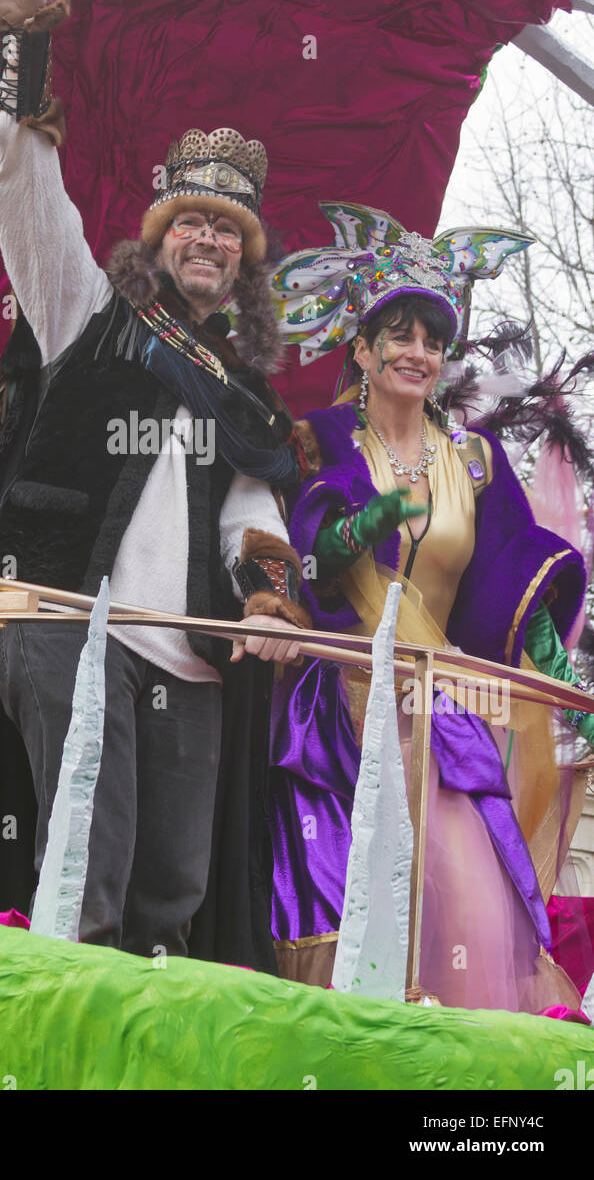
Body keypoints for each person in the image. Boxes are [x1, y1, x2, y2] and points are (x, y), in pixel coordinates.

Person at [0, 0, 311, 964]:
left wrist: (266, 593)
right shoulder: (86, 308)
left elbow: (250, 511)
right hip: (61, 622)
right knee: (85, 877)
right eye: (191, 225)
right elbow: (25, 191)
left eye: (228, 232)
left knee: (169, 899)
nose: (208, 242)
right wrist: (25, 42)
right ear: (161, 236)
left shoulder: (245, 395)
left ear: (243, 257)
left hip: (187, 652)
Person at [269, 202, 593, 1011]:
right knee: (354, 908)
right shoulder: (320, 440)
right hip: (341, 706)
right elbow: (306, 553)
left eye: (433, 340)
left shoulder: (475, 462)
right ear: (364, 349)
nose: (418, 353)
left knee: (472, 905)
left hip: (442, 708)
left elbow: (516, 567)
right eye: (401, 335)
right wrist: (361, 526)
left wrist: (560, 677)